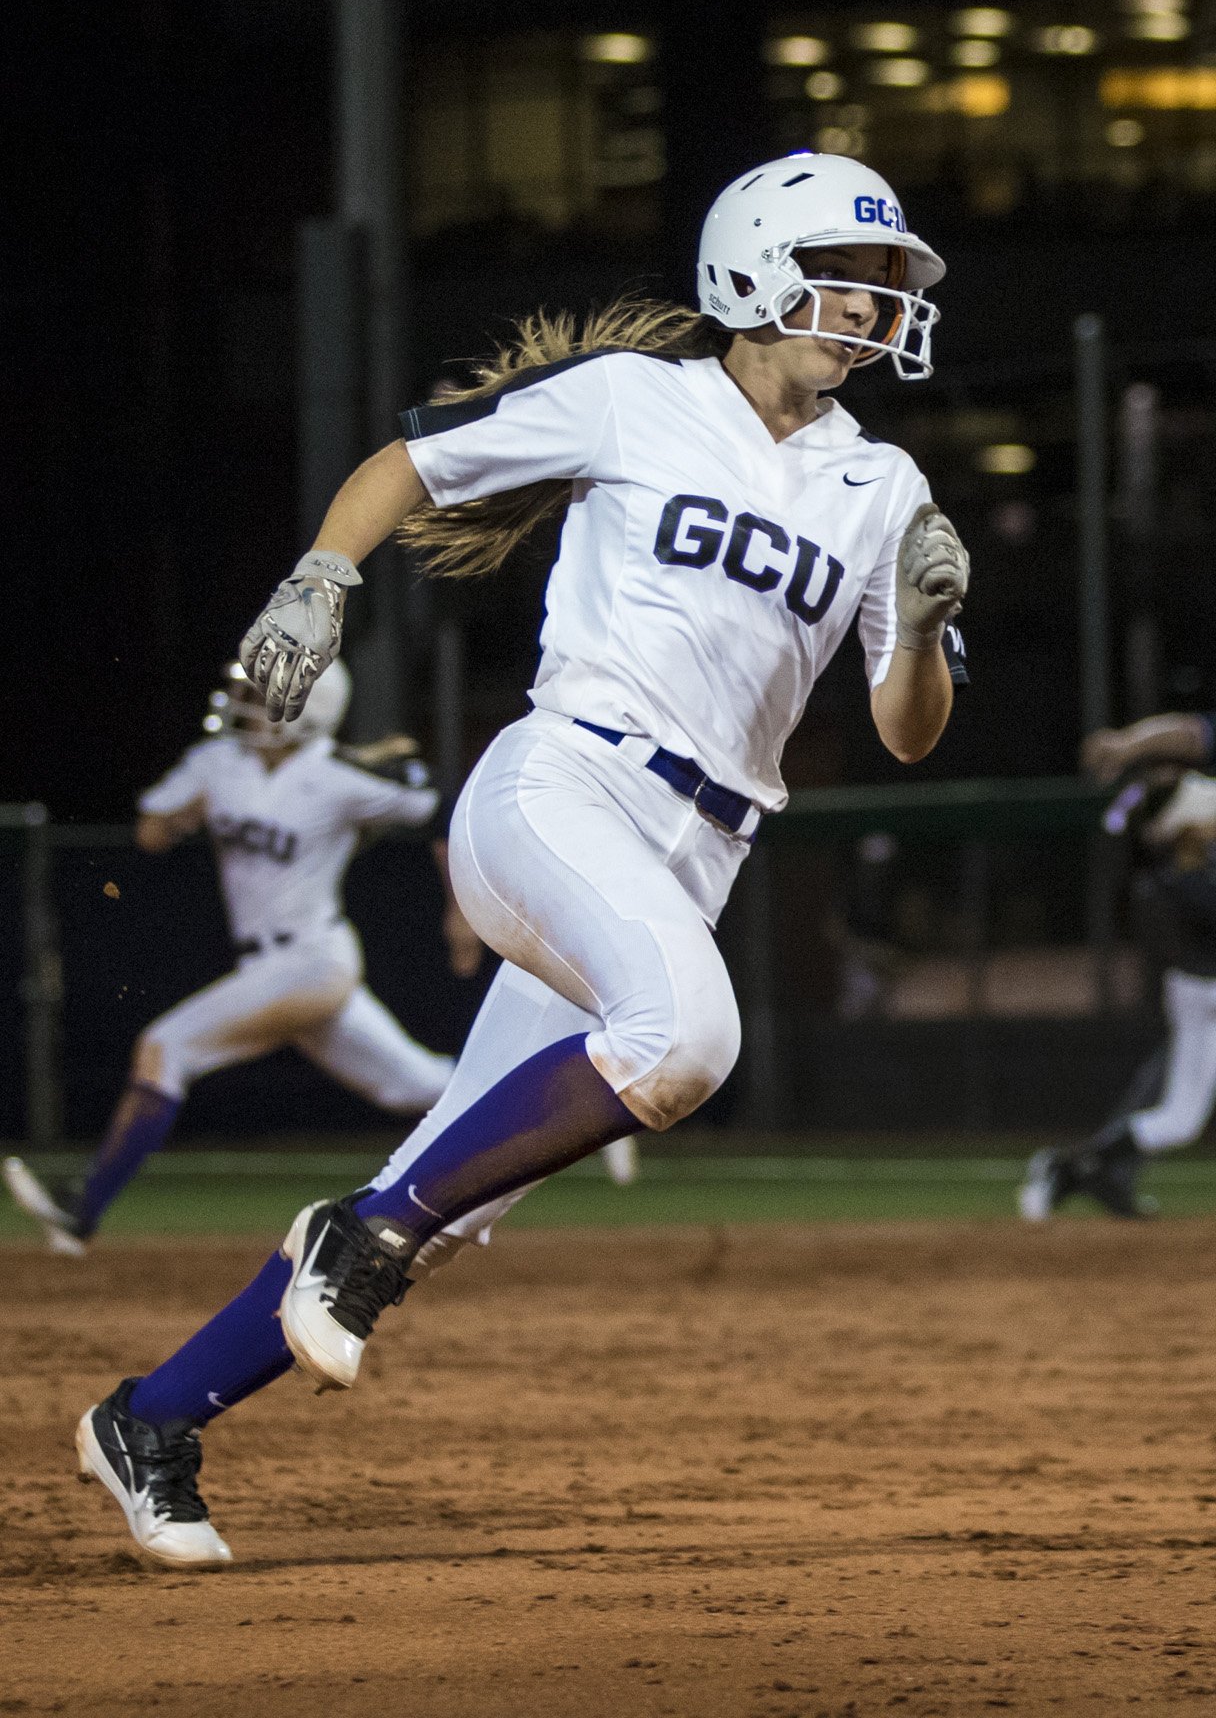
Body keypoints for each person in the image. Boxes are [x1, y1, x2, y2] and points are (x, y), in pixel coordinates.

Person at [74, 152, 970, 1566]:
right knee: (686, 1043)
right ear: (750, 271)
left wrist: (916, 632)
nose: (870, 306)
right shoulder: (637, 398)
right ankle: (352, 1241)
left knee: (439, 1204)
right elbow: (410, 463)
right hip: (561, 789)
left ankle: (153, 1417)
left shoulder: (884, 482)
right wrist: (319, 582)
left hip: (697, 857)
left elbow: (909, 733)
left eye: (883, 285)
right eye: (843, 277)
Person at [4, 659, 480, 1252]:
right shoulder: (220, 763)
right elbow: (149, 834)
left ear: (310, 708)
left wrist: (461, 909)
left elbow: (450, 810)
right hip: (271, 968)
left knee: (164, 1047)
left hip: (313, 961)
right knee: (418, 1084)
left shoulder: (335, 775)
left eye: (263, 694)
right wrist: (176, 816)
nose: (248, 703)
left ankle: (82, 1211)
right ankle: (556, 1086)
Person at [1020, 709, 1216, 1220]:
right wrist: (1129, 750)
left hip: (1196, 986)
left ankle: (1085, 1168)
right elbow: (1190, 742)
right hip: (1204, 990)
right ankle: (1072, 1167)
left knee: (1177, 1115)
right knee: (1179, 1120)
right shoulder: (1182, 874)